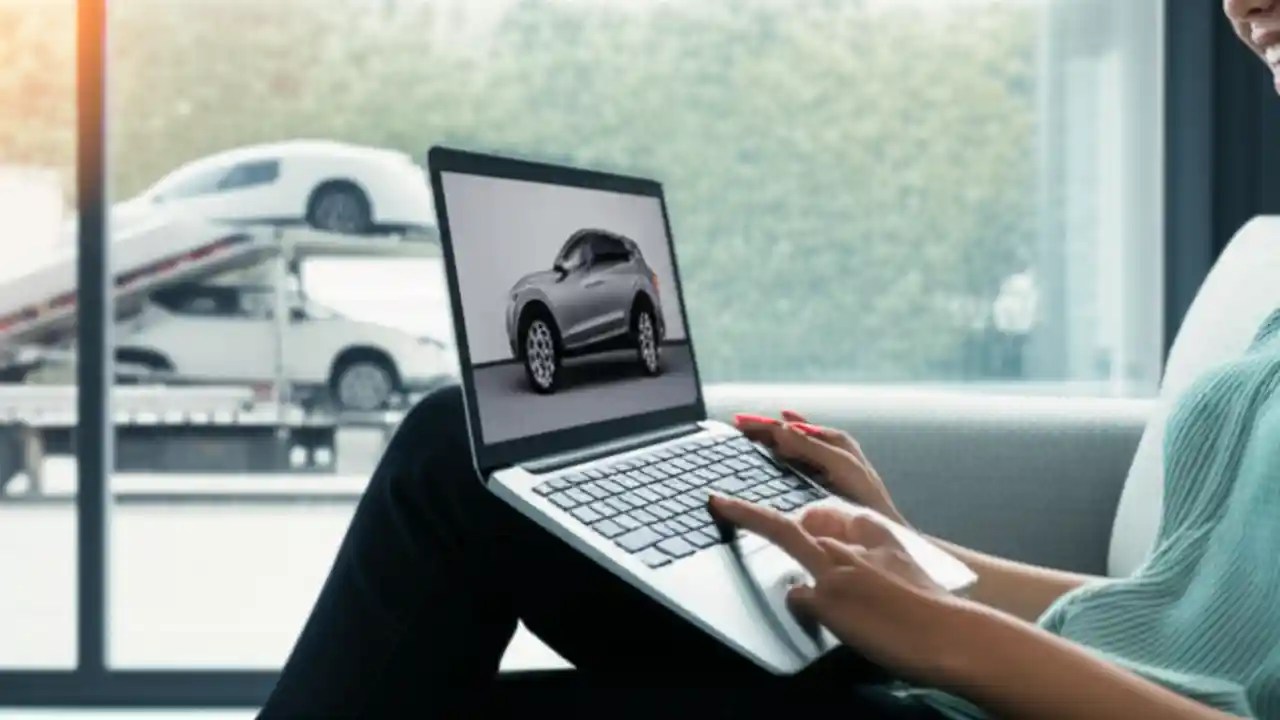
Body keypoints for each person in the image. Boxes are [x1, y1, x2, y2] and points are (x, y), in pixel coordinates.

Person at [260, 2, 1280, 717]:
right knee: (461, 448)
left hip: (985, 696)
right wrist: (906, 549)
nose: (1239, 5)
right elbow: (1171, 616)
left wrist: (933, 635)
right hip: (1000, 679)